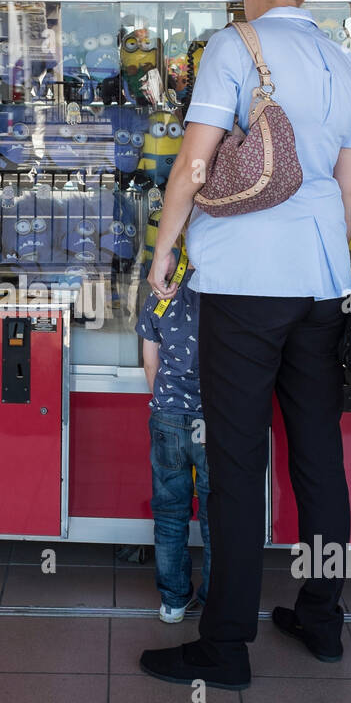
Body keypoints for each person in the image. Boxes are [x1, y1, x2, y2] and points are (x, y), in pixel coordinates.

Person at [139, 0, 351, 690]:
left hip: (241, 285)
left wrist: (164, 253)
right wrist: (326, 261)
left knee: (237, 462)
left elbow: (193, 169)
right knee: (319, 460)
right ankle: (324, 616)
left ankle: (226, 644)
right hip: (321, 284)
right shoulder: (344, 63)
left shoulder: (235, 49)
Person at [136, 240, 210, 624]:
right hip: (215, 420)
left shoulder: (159, 299)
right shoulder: (225, 300)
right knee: (217, 514)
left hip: (168, 417)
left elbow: (150, 361)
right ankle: (217, 599)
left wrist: (164, 402)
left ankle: (173, 602)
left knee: (169, 512)